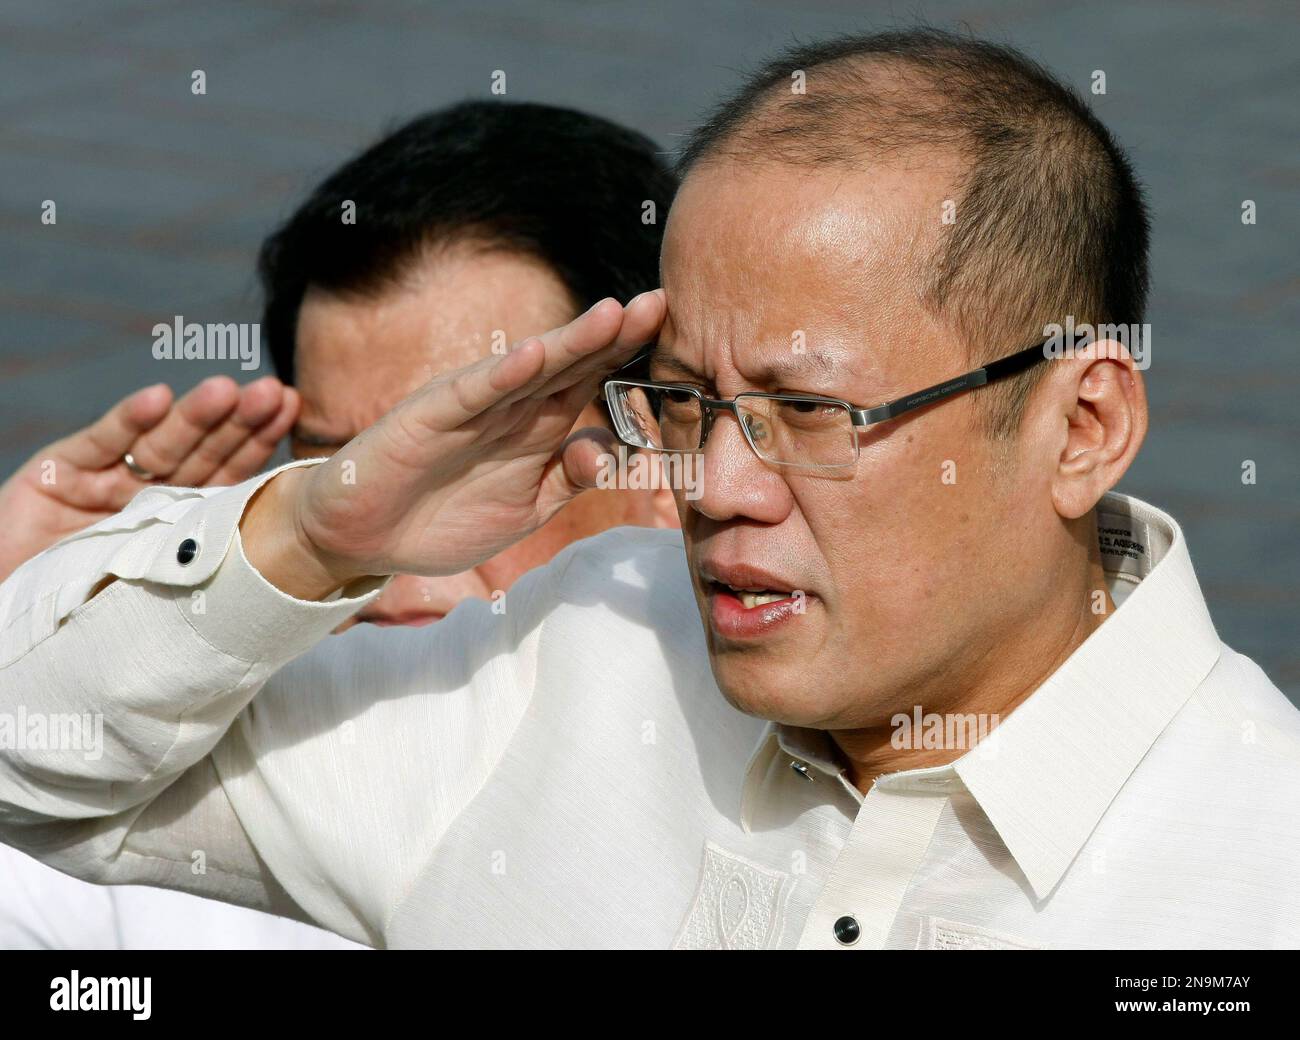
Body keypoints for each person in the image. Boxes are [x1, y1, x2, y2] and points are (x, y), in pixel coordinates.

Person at [2, 29, 1298, 950]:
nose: (718, 483)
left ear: (1084, 426)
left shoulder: (1258, 870)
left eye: (811, 413)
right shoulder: (554, 668)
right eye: (682, 401)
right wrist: (315, 529)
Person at [0, 100, 678, 948]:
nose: (393, 561)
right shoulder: (176, 790)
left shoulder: (787, 784)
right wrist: (54, 613)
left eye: (475, 459)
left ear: (664, 457)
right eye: (335, 474)